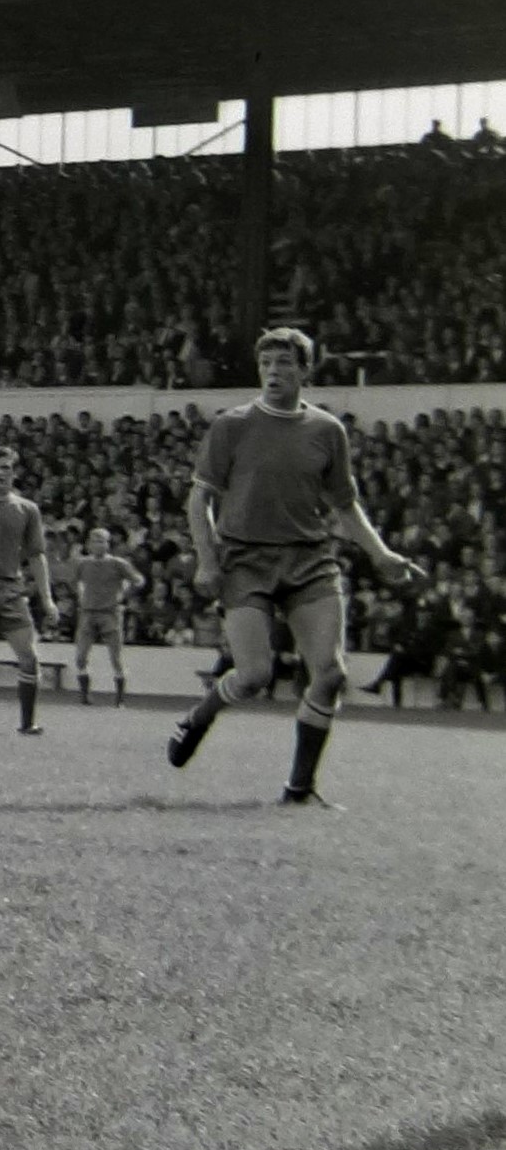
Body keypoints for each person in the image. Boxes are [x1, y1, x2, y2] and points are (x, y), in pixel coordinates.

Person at [167, 328, 422, 805]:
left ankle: (300, 789)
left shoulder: (328, 431)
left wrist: (381, 553)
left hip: (309, 560)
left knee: (330, 673)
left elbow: (346, 505)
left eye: (284, 363)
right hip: (245, 560)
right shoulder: (232, 425)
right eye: (266, 364)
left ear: (305, 371)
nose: (273, 373)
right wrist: (207, 560)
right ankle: (199, 716)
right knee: (253, 676)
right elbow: (199, 497)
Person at [0, 446, 58, 734]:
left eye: (7, 468)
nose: (1, 473)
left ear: (15, 473)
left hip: (10, 590)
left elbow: (36, 555)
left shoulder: (27, 509)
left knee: (28, 655)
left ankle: (28, 723)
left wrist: (48, 599)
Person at [70, 526, 141, 705]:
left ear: (108, 544)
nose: (98, 544)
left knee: (116, 657)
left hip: (110, 613)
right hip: (87, 613)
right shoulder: (82, 563)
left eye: (102, 541)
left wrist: (124, 594)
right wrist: (82, 597)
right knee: (80, 657)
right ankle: (85, 695)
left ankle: (120, 699)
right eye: (95, 541)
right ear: (89, 544)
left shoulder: (118, 563)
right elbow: (74, 583)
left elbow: (138, 581)